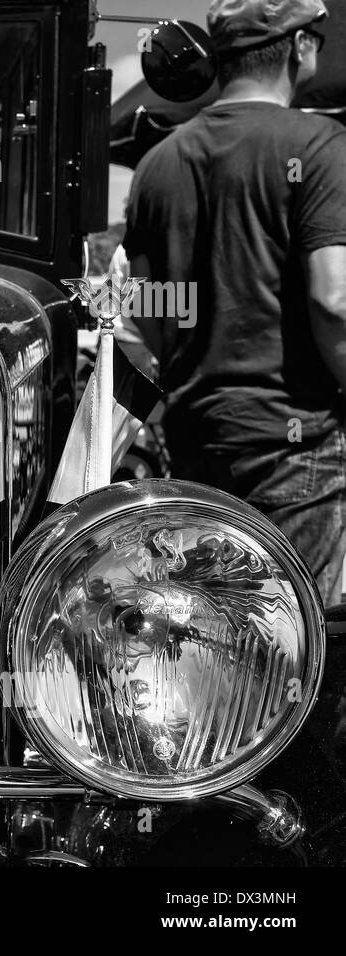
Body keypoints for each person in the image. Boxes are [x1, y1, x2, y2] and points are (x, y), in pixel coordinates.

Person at [123, 0, 346, 604]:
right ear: (299, 46)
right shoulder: (320, 144)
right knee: (299, 646)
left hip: (197, 436)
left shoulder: (156, 164)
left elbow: (148, 308)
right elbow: (334, 300)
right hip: (293, 441)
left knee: (217, 644)